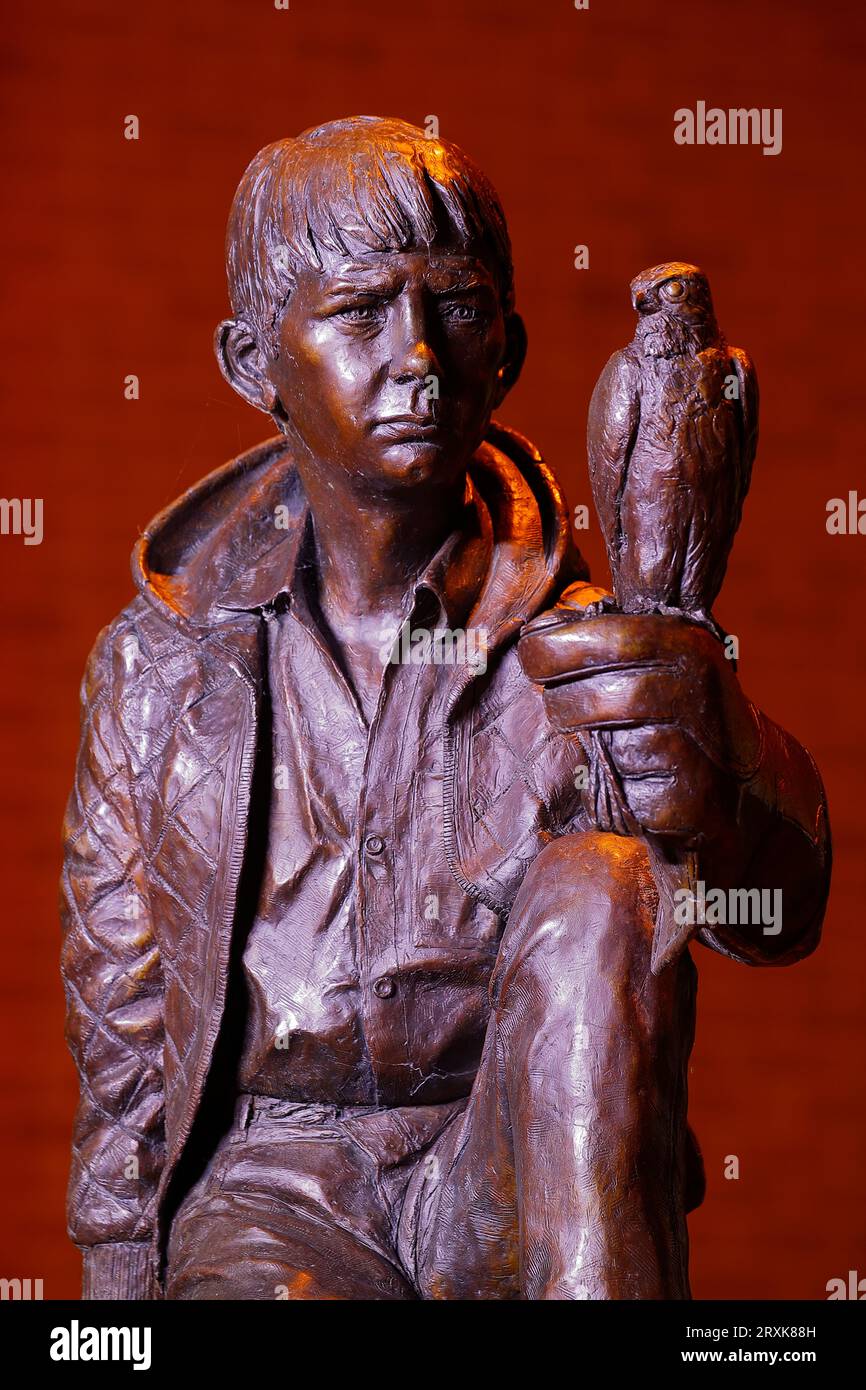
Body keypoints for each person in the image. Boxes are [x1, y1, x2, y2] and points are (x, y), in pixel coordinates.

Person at [60, 116, 830, 1300]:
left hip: (520, 1157)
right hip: (274, 1186)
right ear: (250, 360)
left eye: (457, 309)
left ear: (508, 350)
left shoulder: (585, 650)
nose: (417, 353)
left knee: (607, 884)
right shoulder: (159, 669)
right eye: (359, 310)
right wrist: (118, 1279)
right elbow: (120, 1006)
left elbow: (773, 916)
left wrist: (719, 763)